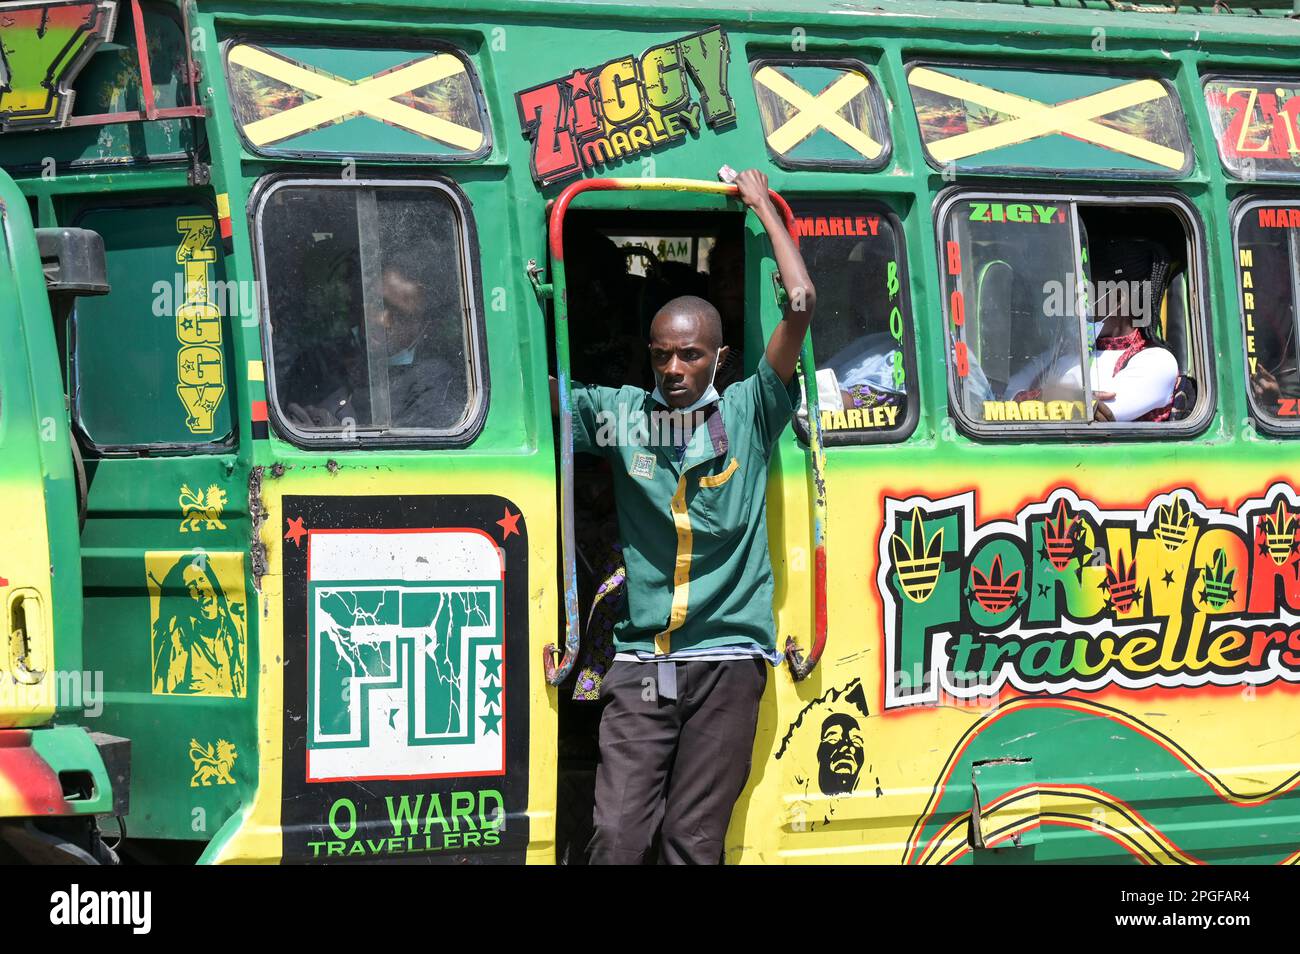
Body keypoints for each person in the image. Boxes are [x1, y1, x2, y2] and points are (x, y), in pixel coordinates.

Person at [554, 169, 816, 864]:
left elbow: (801, 301)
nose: (674, 368)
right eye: (662, 355)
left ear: (719, 359)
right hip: (643, 663)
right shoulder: (619, 413)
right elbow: (536, 392)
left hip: (727, 664)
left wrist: (761, 204)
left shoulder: (751, 411)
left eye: (690, 355)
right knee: (615, 835)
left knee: (690, 842)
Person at [151, 554, 246, 696]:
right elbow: (165, 690)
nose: (200, 590)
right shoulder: (179, 636)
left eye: (202, 579)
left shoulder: (236, 626)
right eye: (191, 587)